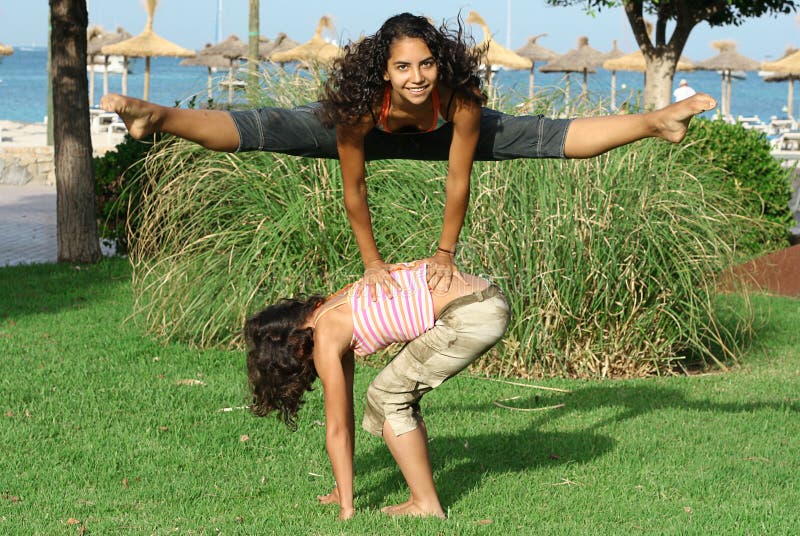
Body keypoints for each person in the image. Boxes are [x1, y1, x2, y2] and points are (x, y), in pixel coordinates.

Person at [100, 13, 717, 293]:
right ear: (385, 72)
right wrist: (372, 264)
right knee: (270, 126)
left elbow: (458, 180)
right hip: (372, 134)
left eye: (425, 63)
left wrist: (445, 253)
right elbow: (355, 189)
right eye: (404, 66)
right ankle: (162, 117)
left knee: (540, 136)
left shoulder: (462, 99)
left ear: (439, 64)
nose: (418, 76)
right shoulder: (361, 107)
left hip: (443, 138)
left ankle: (654, 121)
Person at [244, 259, 510, 519]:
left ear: (289, 345)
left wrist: (347, 510)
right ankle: (422, 500)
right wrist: (342, 491)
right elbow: (343, 419)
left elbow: (337, 431)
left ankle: (426, 505)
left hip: (472, 313)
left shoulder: (325, 335)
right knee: (386, 394)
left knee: (386, 397)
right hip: (484, 300)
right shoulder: (331, 311)